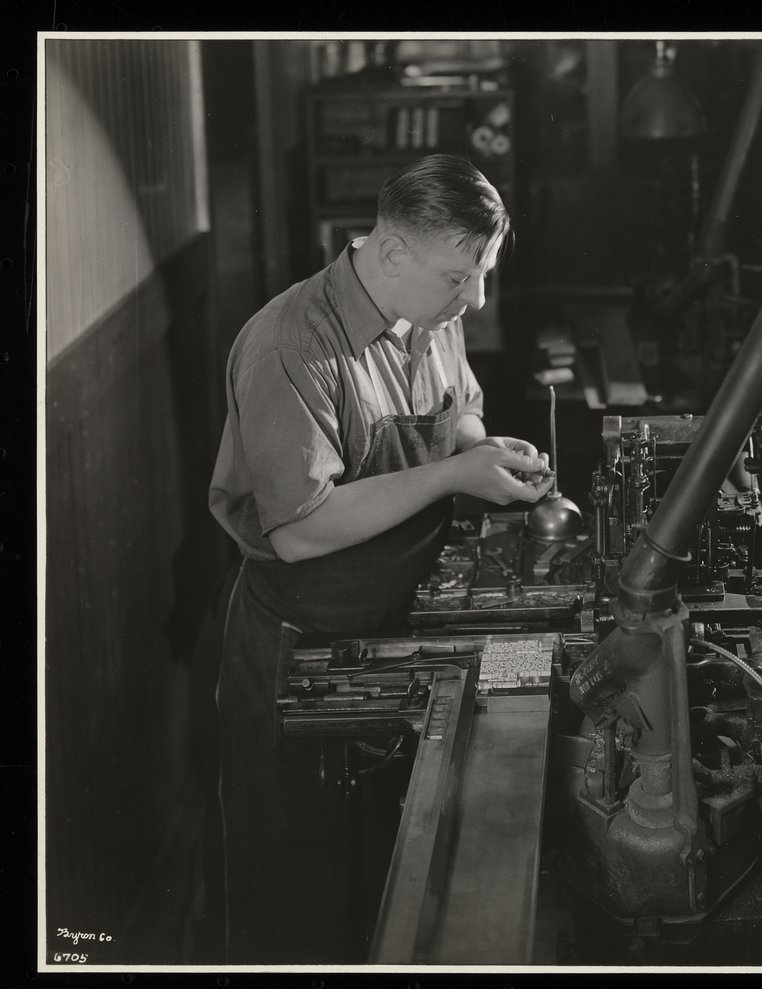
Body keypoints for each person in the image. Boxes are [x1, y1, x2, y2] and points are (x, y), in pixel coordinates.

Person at [197, 154, 552, 963]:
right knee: (294, 900)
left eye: (485, 272)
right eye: (460, 276)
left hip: (396, 620)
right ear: (390, 251)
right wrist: (455, 475)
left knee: (382, 874)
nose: (477, 298)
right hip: (297, 640)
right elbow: (302, 527)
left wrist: (483, 446)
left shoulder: (432, 308)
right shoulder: (291, 345)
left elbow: (455, 408)